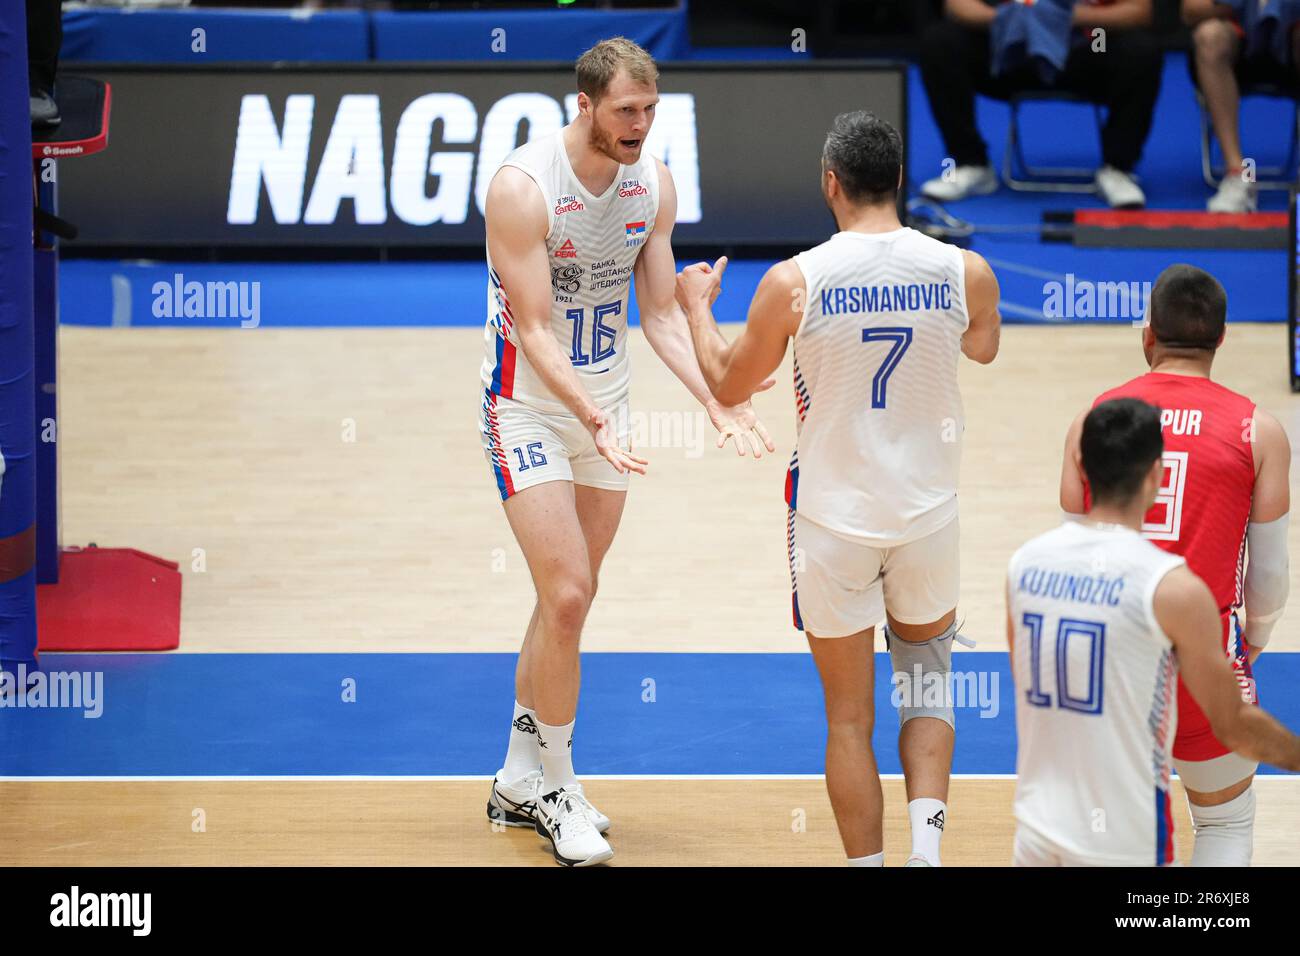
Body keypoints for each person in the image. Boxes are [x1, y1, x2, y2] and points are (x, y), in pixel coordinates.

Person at [673, 111, 1001, 866]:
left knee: (848, 719)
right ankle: (927, 855)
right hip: (927, 516)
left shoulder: (795, 282)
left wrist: (696, 309)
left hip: (832, 520)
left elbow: (727, 379)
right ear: (896, 181)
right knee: (926, 687)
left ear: (831, 183)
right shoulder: (964, 271)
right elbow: (981, 346)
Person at [477, 37, 774, 867]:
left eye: (651, 109)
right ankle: (559, 787)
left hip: (604, 408)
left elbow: (661, 313)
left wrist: (717, 400)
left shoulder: (653, 186)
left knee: (566, 599)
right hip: (526, 408)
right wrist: (589, 414)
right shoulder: (522, 189)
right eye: (625, 112)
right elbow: (534, 329)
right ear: (585, 106)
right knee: (568, 594)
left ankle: (515, 773)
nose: (641, 125)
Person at [1060, 264, 1291, 865]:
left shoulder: (1094, 421)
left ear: (1147, 337)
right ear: (1222, 338)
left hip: (1110, 657)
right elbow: (1268, 579)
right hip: (1203, 658)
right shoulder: (1257, 429)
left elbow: (1073, 554)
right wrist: (1254, 640)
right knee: (1224, 823)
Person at [1011, 398, 1300, 866]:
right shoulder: (1172, 589)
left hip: (1038, 831)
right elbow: (1233, 724)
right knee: (1222, 827)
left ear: (1081, 466)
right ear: (1156, 477)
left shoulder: (1024, 566)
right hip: (1124, 839)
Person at [918, 0, 1162, 208]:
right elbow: (956, 6)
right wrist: (1013, 19)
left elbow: (1140, 11)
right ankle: (970, 162)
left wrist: (1063, 17)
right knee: (940, 41)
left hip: (1089, 43)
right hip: (1011, 47)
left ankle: (1118, 168)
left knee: (1141, 50)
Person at [1183, 0, 1300, 213]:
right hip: (1236, 47)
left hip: (1292, 41)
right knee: (1210, 35)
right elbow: (1191, 11)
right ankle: (1238, 174)